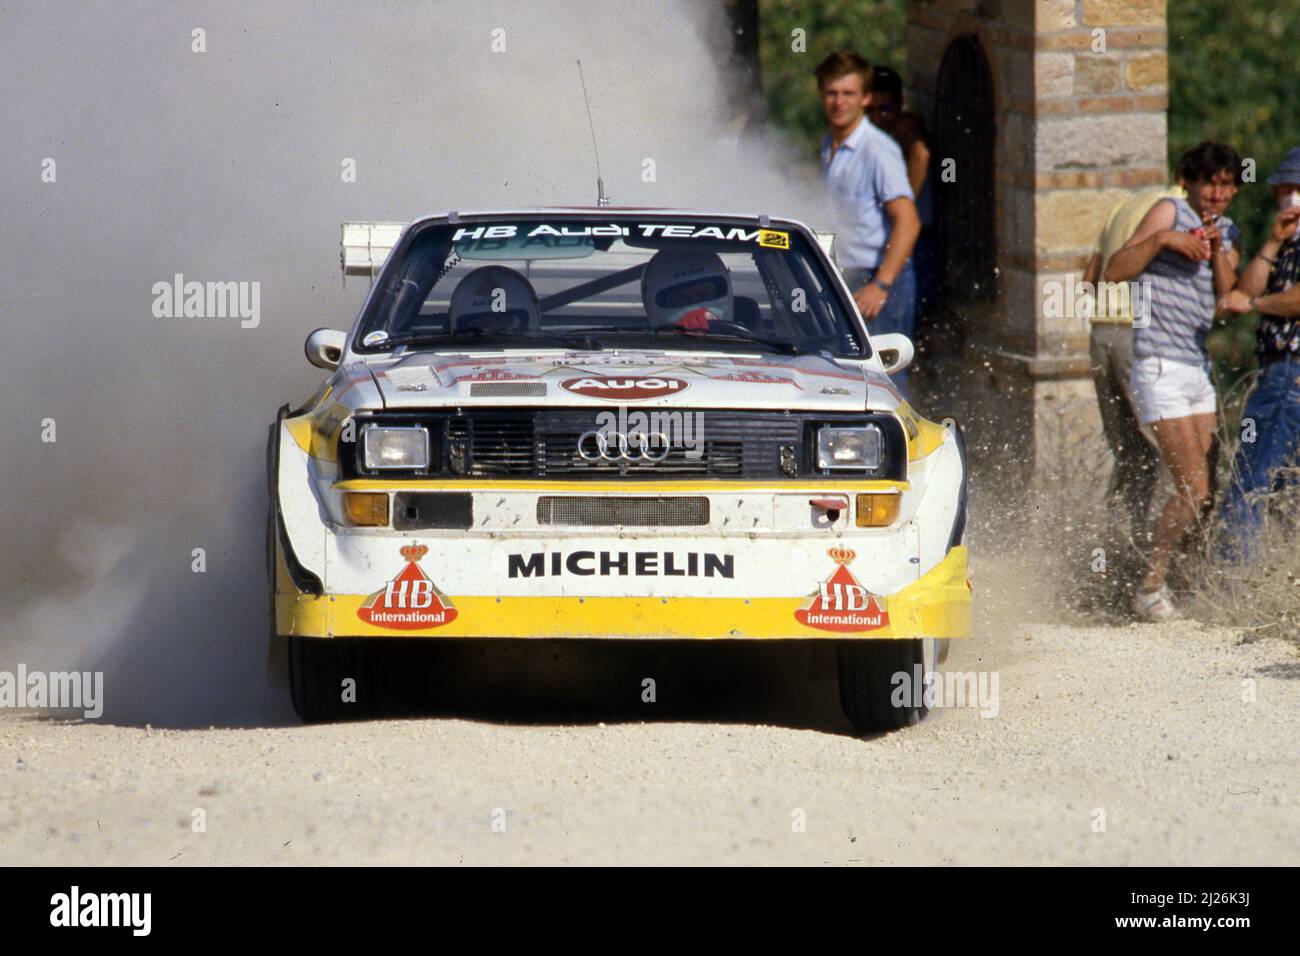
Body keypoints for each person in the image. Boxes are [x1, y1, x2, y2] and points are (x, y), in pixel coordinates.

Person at [1104, 142, 1242, 621]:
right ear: (1191, 181)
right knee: (1192, 487)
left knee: (1206, 488)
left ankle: (1179, 576)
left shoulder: (1225, 229)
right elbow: (1114, 269)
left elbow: (1228, 297)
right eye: (1211, 183)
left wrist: (1219, 251)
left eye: (1227, 185)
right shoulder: (1169, 210)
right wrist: (1164, 241)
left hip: (1197, 369)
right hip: (1157, 363)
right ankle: (1148, 584)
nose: (1218, 194)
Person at [1083, 185, 1184, 545]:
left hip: (1102, 335)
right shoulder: (1178, 210)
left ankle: (1117, 543)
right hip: (1139, 335)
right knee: (1170, 448)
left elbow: (1089, 280)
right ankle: (1162, 550)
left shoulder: (1121, 207)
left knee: (1129, 451)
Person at [815, 51, 920, 396]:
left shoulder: (878, 150)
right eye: (831, 93)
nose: (838, 102)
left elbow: (908, 219)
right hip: (845, 278)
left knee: (884, 379)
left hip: (878, 279)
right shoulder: (828, 145)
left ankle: (900, 448)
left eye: (847, 93)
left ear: (865, 98)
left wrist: (882, 284)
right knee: (846, 377)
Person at [1217, 146, 1300, 559]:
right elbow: (1242, 290)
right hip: (1280, 375)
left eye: (1294, 186)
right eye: (1283, 187)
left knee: (1252, 478)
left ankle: (1230, 585)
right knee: (1284, 487)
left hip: (1289, 376)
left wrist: (1252, 307)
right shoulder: (1286, 243)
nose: (1287, 194)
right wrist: (1272, 241)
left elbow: (1253, 301)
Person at [866, 66, 937, 325]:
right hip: (894, 241)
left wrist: (901, 207)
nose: (877, 117)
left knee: (905, 316)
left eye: (884, 109)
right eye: (869, 111)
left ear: (899, 104)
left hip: (915, 241)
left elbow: (921, 155)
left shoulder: (904, 126)